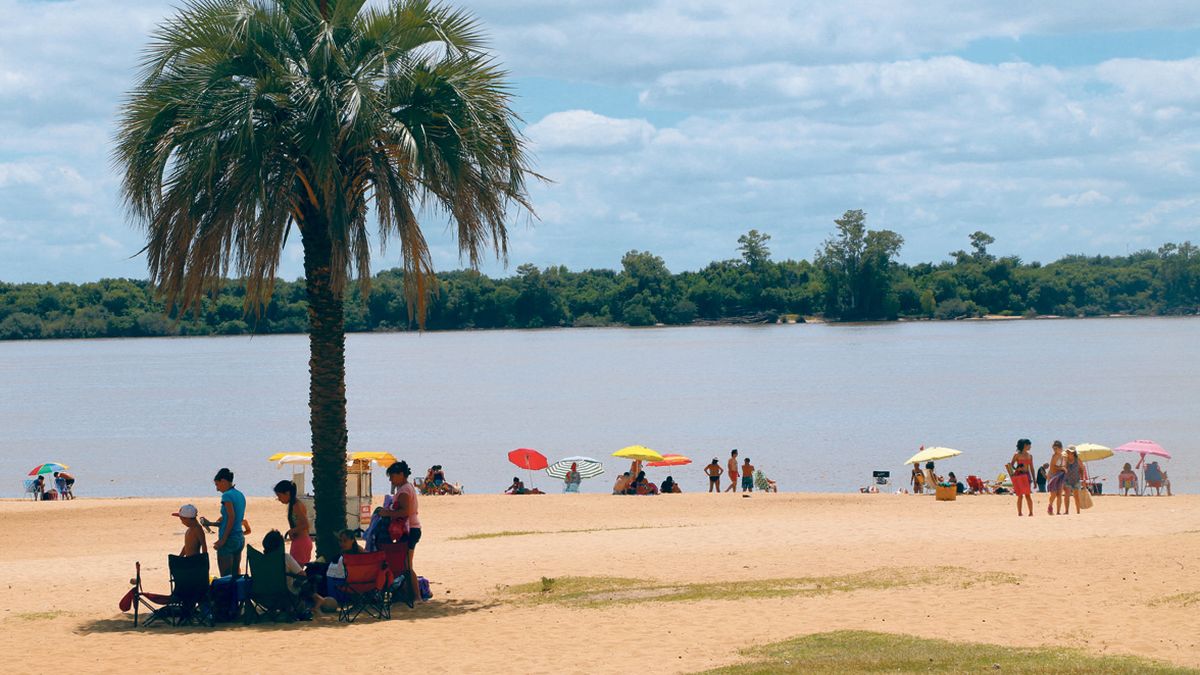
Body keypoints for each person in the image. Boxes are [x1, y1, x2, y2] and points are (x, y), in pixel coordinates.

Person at [378, 461, 421, 575]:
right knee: (406, 564)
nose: (390, 480)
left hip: (410, 529)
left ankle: (414, 592)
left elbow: (404, 511)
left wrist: (386, 513)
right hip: (412, 528)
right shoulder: (406, 487)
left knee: (406, 566)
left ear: (401, 474)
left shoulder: (404, 491)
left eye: (392, 476)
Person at [209, 468, 246, 576]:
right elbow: (235, 517)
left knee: (225, 577)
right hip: (239, 538)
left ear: (224, 481)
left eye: (217, 484)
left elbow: (231, 517)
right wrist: (212, 523)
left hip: (229, 539)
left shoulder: (226, 496)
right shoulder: (240, 494)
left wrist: (222, 540)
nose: (217, 489)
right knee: (235, 576)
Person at [274, 479, 313, 565]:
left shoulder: (296, 505)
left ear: (287, 493)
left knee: (296, 573)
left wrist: (291, 531)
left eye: (280, 496)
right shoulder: (294, 504)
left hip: (302, 543)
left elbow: (306, 524)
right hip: (299, 542)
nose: (279, 499)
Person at [1009, 439, 1035, 517]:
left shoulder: (1030, 456)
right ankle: (1019, 512)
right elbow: (1011, 465)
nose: (1030, 446)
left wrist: (1035, 480)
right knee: (1020, 495)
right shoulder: (1017, 455)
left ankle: (1031, 512)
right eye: (1029, 445)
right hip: (1019, 475)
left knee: (1028, 495)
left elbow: (1032, 468)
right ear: (1025, 445)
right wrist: (1017, 469)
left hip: (1027, 476)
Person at [1063, 448, 1086, 514]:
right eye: (1067, 452)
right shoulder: (1065, 460)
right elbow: (1062, 468)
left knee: (1076, 497)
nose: (1067, 453)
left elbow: (1082, 469)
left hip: (1076, 480)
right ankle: (1066, 511)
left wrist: (1083, 478)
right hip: (1067, 480)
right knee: (1067, 495)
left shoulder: (1078, 460)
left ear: (1073, 453)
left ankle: (1078, 511)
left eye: (1069, 452)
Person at [1045, 441, 1066, 515]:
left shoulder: (1063, 456)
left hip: (1060, 476)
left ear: (1060, 448)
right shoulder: (1054, 456)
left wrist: (1064, 469)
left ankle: (1058, 511)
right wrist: (1062, 468)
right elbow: (1053, 466)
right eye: (1053, 448)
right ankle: (1050, 506)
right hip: (1053, 476)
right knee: (1053, 494)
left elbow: (1064, 466)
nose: (1054, 450)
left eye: (1056, 448)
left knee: (1059, 494)